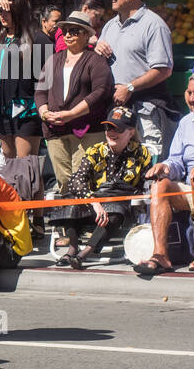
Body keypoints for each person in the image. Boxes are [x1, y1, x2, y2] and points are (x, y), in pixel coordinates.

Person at [49, 105, 152, 271]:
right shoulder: (96, 151)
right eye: (108, 127)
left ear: (131, 132)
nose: (111, 132)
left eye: (117, 128)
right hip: (94, 200)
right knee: (69, 200)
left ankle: (85, 254)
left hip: (121, 204)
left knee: (116, 211)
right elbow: (77, 180)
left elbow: (147, 184)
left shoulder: (142, 154)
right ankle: (73, 248)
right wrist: (94, 202)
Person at [94, 0, 175, 160]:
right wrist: (97, 49)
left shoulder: (154, 25)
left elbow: (163, 70)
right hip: (116, 111)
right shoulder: (109, 26)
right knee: (121, 164)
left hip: (146, 109)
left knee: (149, 161)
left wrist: (129, 87)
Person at [35, 11, 114, 190]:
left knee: (83, 180)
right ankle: (70, 215)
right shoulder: (53, 60)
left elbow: (100, 92)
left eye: (74, 31)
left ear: (87, 34)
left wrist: (71, 114)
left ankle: (86, 216)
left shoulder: (96, 61)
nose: (68, 35)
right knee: (64, 182)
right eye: (66, 31)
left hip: (87, 129)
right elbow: (40, 91)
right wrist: (45, 113)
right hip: (55, 129)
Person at [134, 74, 194, 275]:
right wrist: (165, 167)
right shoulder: (186, 123)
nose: (192, 98)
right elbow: (176, 161)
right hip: (192, 187)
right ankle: (161, 255)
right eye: (189, 93)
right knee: (160, 185)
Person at [0, 0, 49, 159]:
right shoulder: (0, 33)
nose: (2, 15)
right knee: (9, 163)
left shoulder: (38, 38)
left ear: (19, 12)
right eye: (0, 11)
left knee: (26, 165)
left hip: (26, 108)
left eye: (7, 11)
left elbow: (48, 76)